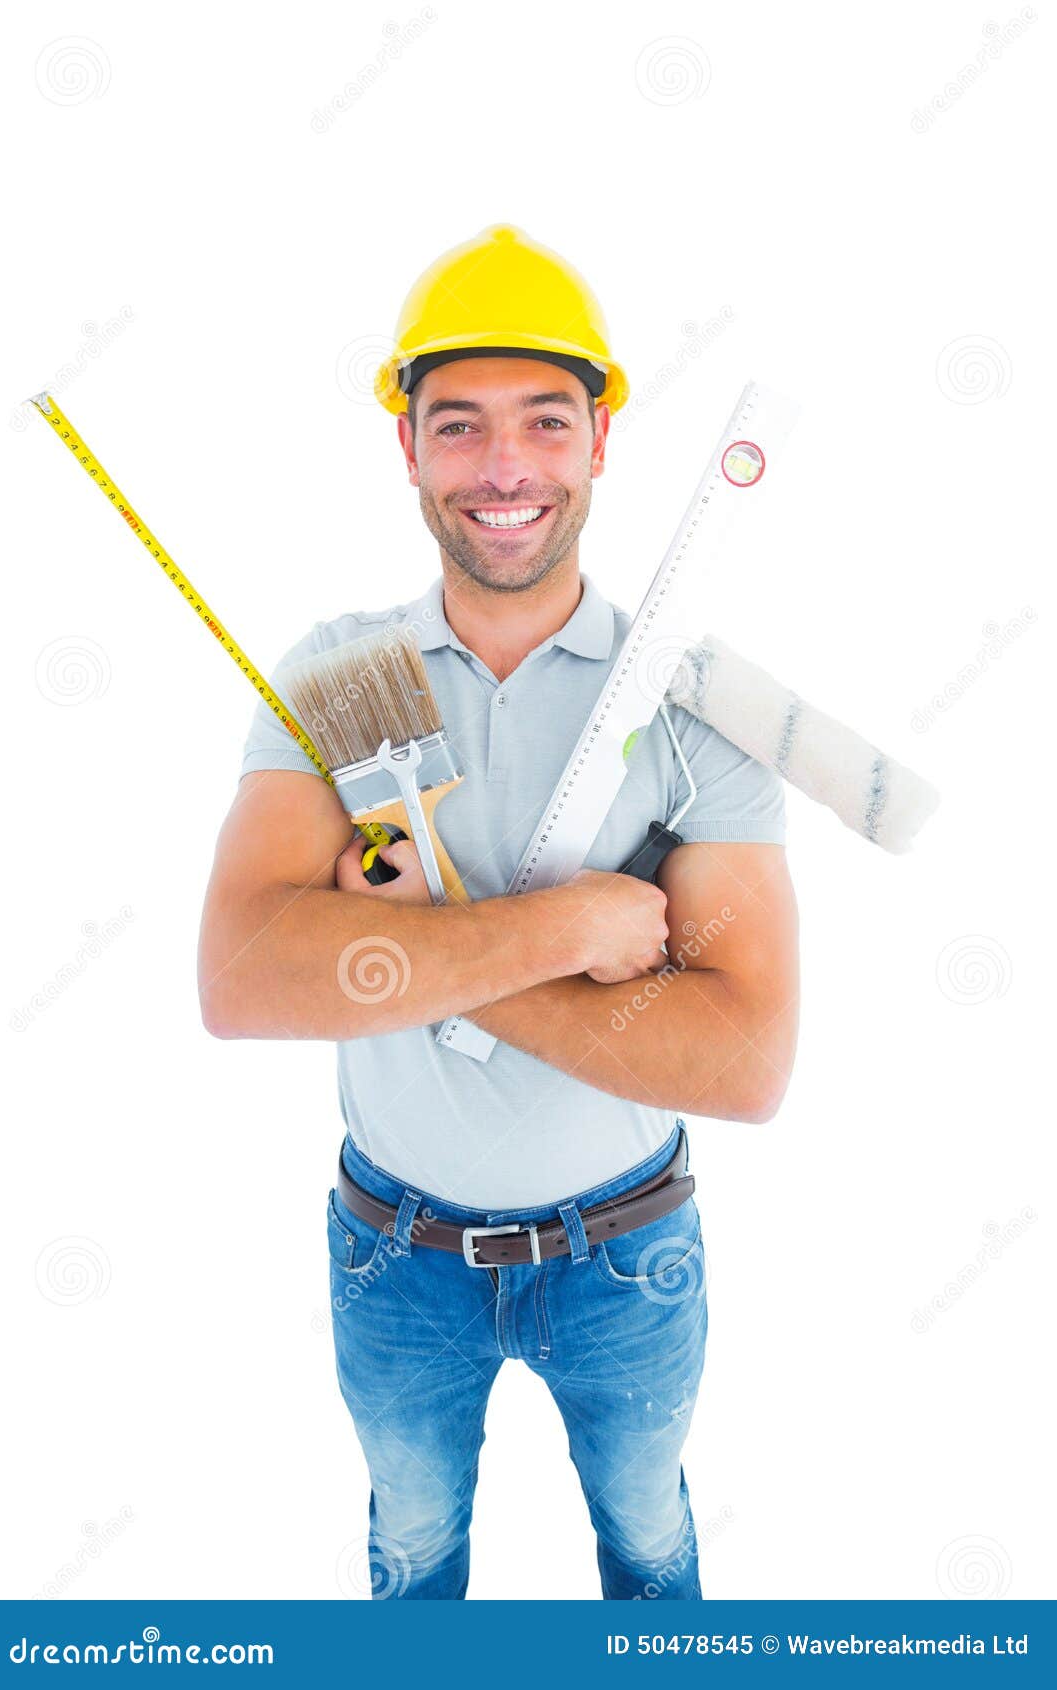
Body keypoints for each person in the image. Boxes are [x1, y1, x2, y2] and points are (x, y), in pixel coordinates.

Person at [197, 225, 800, 1600]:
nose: (504, 466)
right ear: (407, 448)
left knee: (650, 1543)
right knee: (412, 1553)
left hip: (628, 1251)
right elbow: (242, 976)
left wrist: (394, 953)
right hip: (392, 1254)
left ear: (600, 442)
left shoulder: (696, 701)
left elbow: (743, 1060)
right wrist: (572, 929)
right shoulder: (343, 676)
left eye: (544, 420)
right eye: (458, 425)